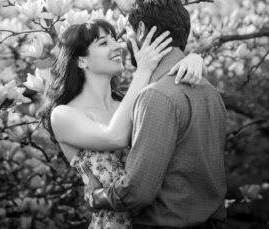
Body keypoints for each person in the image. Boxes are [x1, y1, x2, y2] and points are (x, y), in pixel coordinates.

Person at [42, 13, 205, 229]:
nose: (118, 45)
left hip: (156, 221)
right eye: (103, 43)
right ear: (81, 60)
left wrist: (194, 60)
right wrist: (144, 69)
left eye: (114, 39)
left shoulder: (130, 103)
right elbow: (115, 136)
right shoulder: (63, 114)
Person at [85, 0, 227, 228]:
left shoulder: (157, 96)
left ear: (140, 30)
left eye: (129, 32)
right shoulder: (210, 90)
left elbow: (137, 192)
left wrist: (95, 196)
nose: (125, 42)